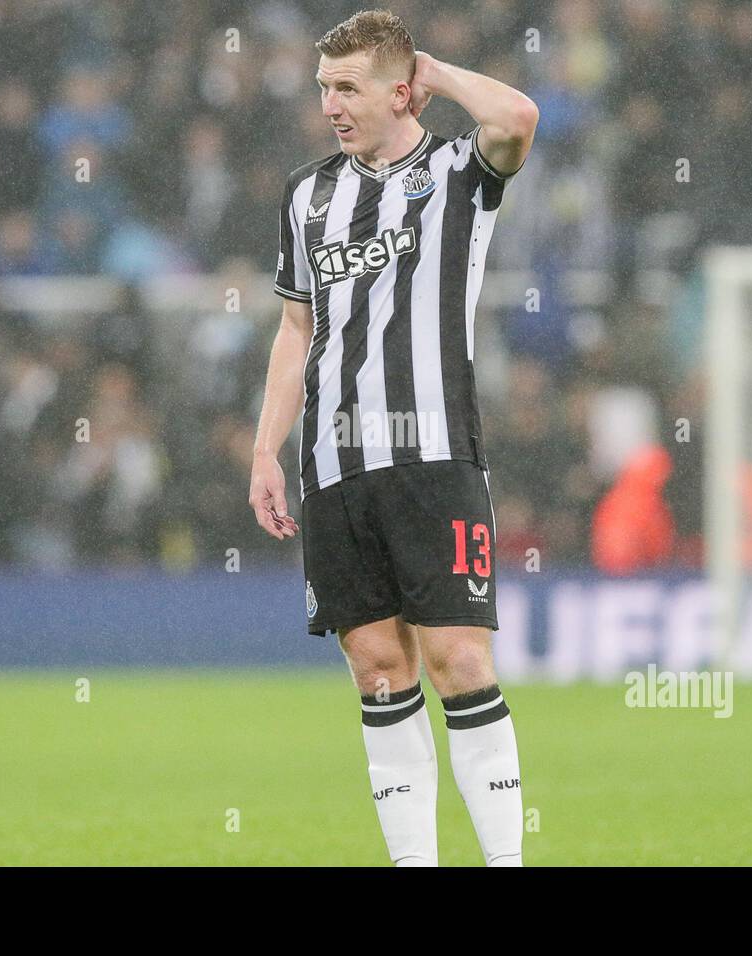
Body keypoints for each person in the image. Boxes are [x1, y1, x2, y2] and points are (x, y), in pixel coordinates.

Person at [248, 9, 538, 866]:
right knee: (379, 670)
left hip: (434, 457)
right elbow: (297, 331)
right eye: (323, 88)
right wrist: (267, 448)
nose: (331, 105)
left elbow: (517, 117)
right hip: (334, 469)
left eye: (349, 87)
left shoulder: (455, 171)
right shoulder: (309, 195)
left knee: (459, 662)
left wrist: (431, 71)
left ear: (400, 90)